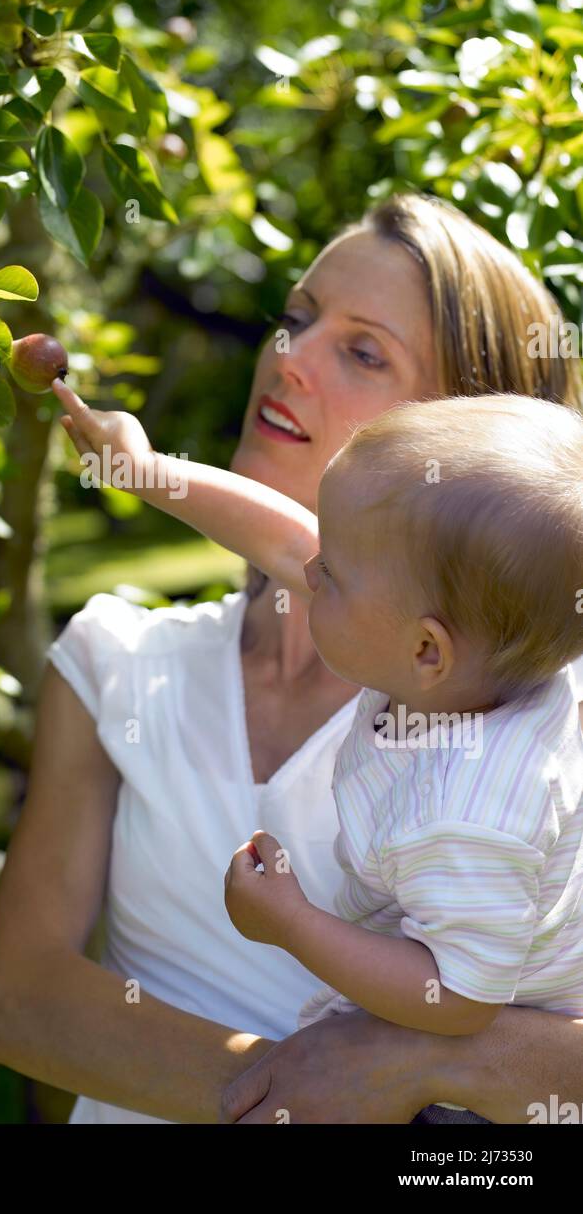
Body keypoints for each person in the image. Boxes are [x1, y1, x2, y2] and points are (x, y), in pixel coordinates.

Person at [0, 193, 583, 1124]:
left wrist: (415, 1074)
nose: (288, 356)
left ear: (465, 447)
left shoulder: (530, 727)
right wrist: (287, 1091)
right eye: (295, 319)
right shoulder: (117, 658)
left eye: (364, 351)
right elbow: (22, 1003)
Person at [51, 382, 583, 1122]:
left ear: (426, 648)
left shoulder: (468, 813)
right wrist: (144, 470)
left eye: (330, 573)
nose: (305, 569)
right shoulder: (474, 659)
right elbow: (281, 533)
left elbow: (456, 998)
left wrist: (292, 922)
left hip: (469, 1099)